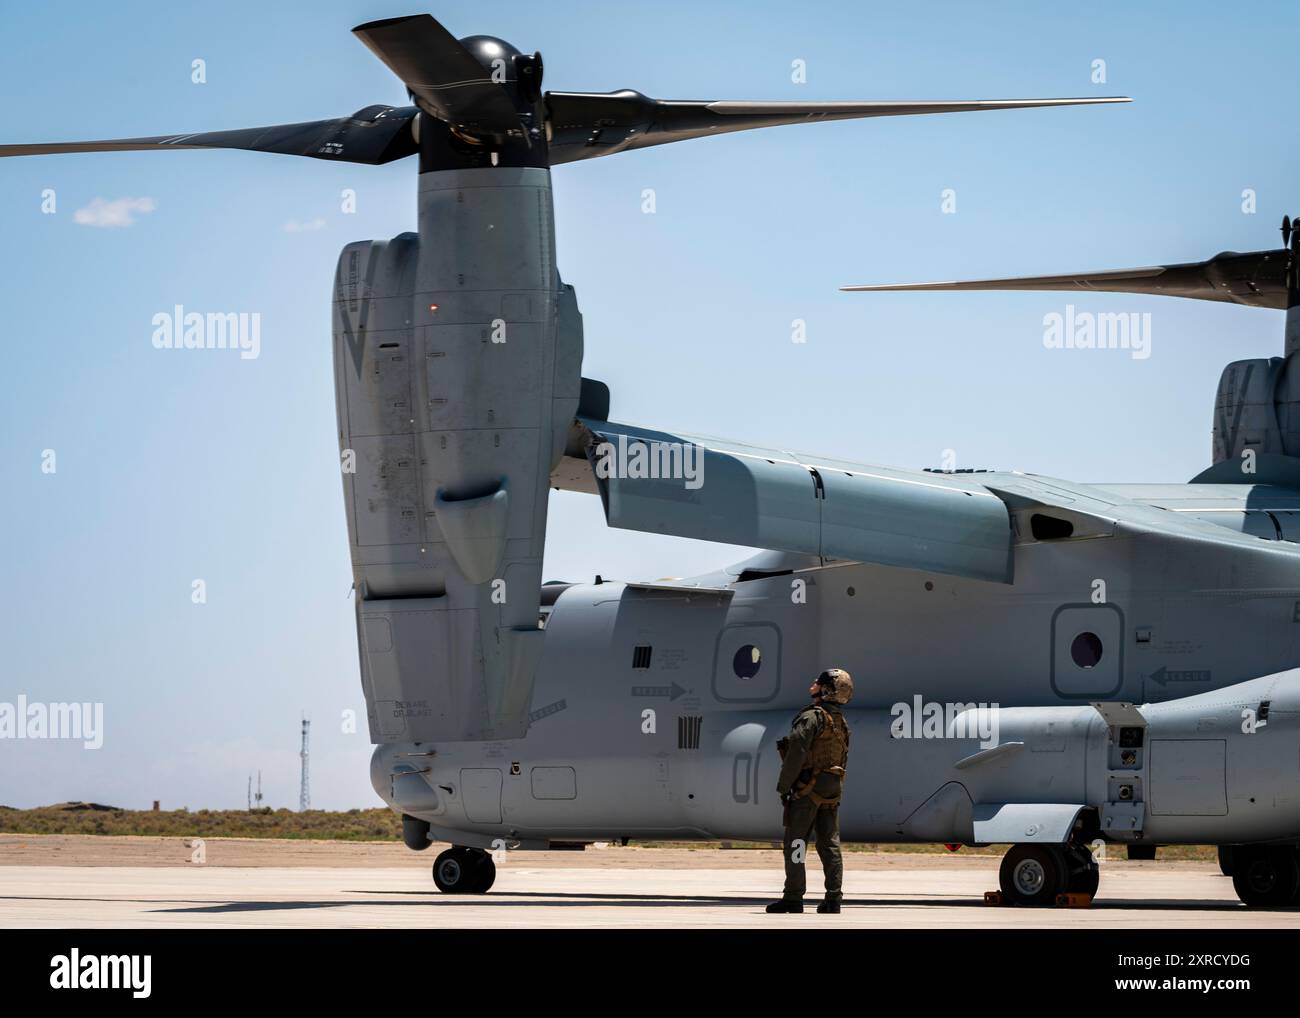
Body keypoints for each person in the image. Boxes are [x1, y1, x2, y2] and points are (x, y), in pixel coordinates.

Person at [766, 668, 853, 914]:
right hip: (832, 787)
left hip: (807, 788)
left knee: (795, 842)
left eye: (819, 682)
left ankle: (793, 897)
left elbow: (796, 753)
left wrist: (784, 786)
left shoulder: (812, 718)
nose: (813, 684)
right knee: (829, 843)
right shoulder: (840, 721)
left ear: (826, 690)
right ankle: (834, 898)